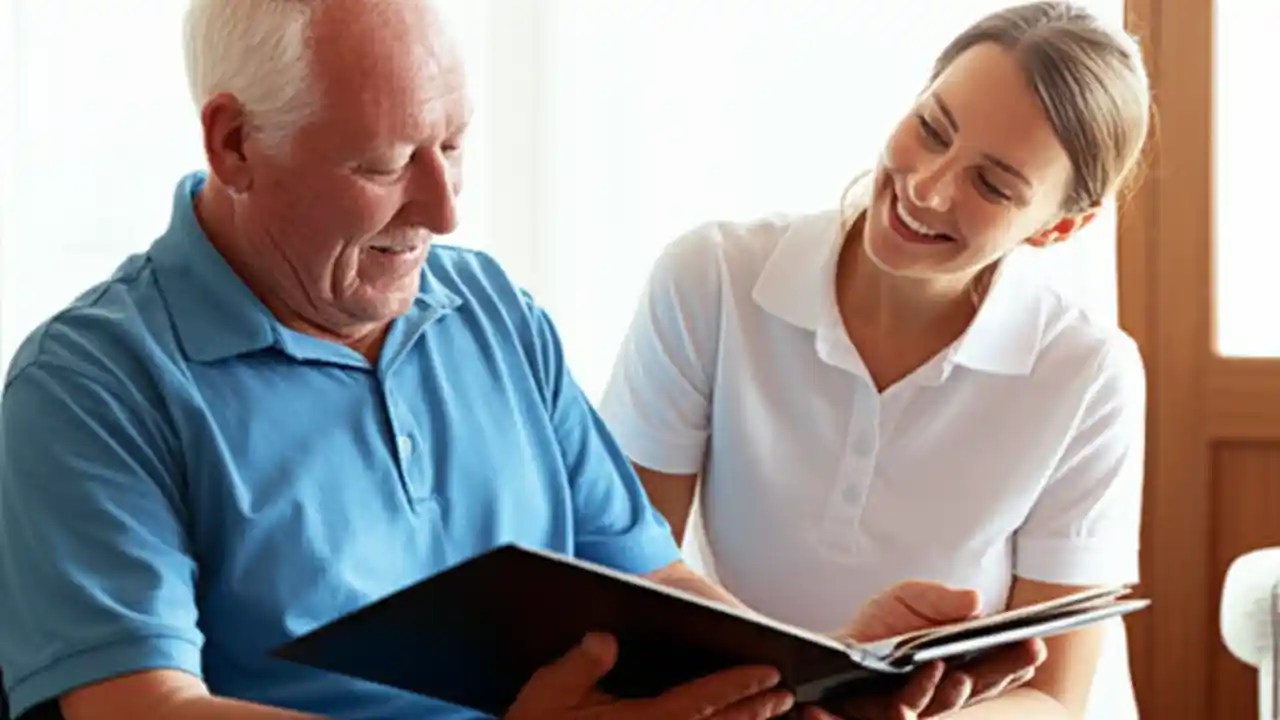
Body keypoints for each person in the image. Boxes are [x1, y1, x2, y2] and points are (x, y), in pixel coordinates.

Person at [0, 1, 1045, 719]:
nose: (444, 208)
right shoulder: (92, 386)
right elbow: (140, 707)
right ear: (232, 146)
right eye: (382, 164)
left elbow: (653, 584)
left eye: (452, 145)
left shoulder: (489, 308)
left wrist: (819, 670)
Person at [599, 2, 1152, 719]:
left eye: (992, 185)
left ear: (1061, 226)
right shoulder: (712, 281)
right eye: (932, 129)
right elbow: (625, 577)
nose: (927, 186)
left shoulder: (1087, 374)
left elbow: (1052, 694)